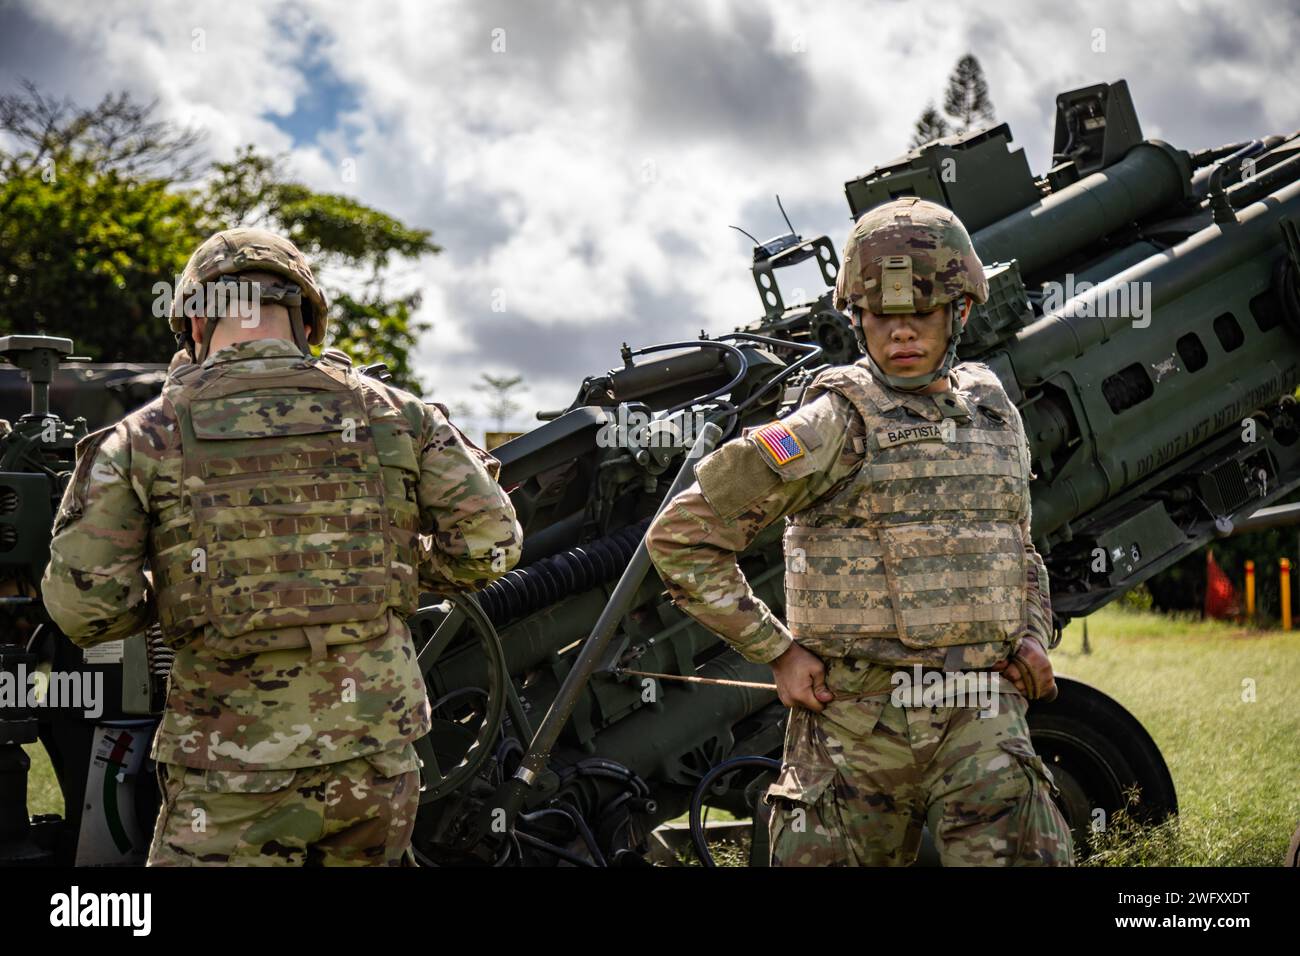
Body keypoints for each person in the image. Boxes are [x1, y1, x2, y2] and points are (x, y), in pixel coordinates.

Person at [41, 227, 523, 866]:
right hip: (376, 759)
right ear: (307, 318)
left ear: (194, 323)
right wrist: (392, 575)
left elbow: (85, 607)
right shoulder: (400, 415)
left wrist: (188, 593)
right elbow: (491, 545)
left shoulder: (141, 437)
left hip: (231, 769)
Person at [646, 197, 1074, 866]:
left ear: (960, 311)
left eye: (921, 315)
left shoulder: (992, 409)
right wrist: (778, 651)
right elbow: (681, 535)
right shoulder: (830, 424)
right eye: (883, 317)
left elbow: (1018, 545)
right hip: (853, 726)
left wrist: (1032, 635)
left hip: (980, 717)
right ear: (856, 317)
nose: (901, 335)